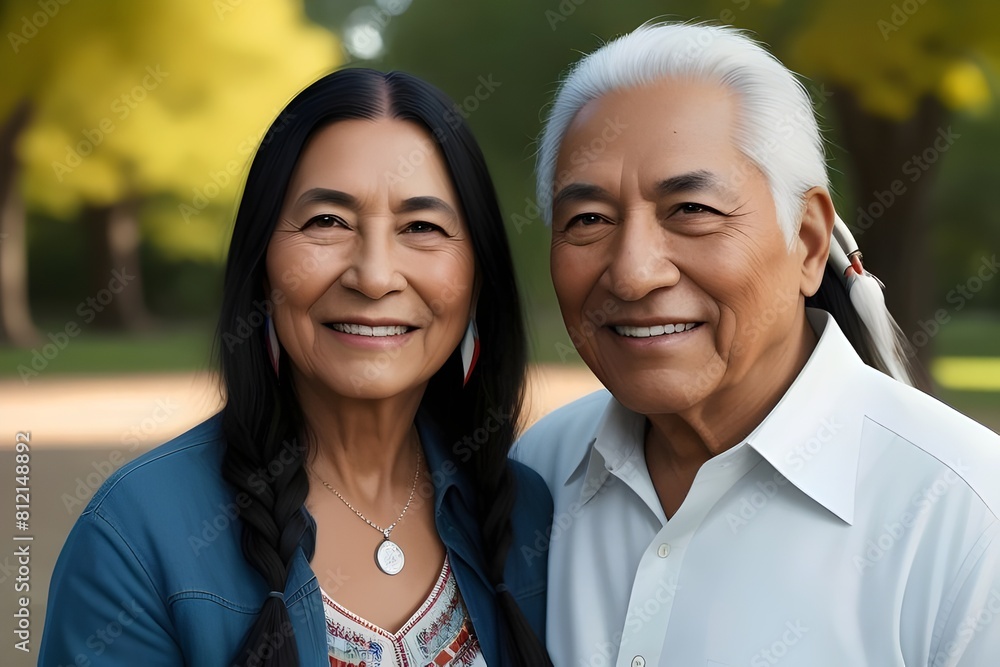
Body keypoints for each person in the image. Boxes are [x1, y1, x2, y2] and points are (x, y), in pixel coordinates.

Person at [514, 22, 1000, 666]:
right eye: (589, 220)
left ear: (806, 241)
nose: (633, 272)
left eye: (692, 210)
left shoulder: (966, 517)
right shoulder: (542, 471)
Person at [40, 68, 552, 666]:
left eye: (422, 227)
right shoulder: (134, 536)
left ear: (477, 277)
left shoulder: (532, 518)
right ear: (262, 263)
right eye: (328, 222)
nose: (375, 275)